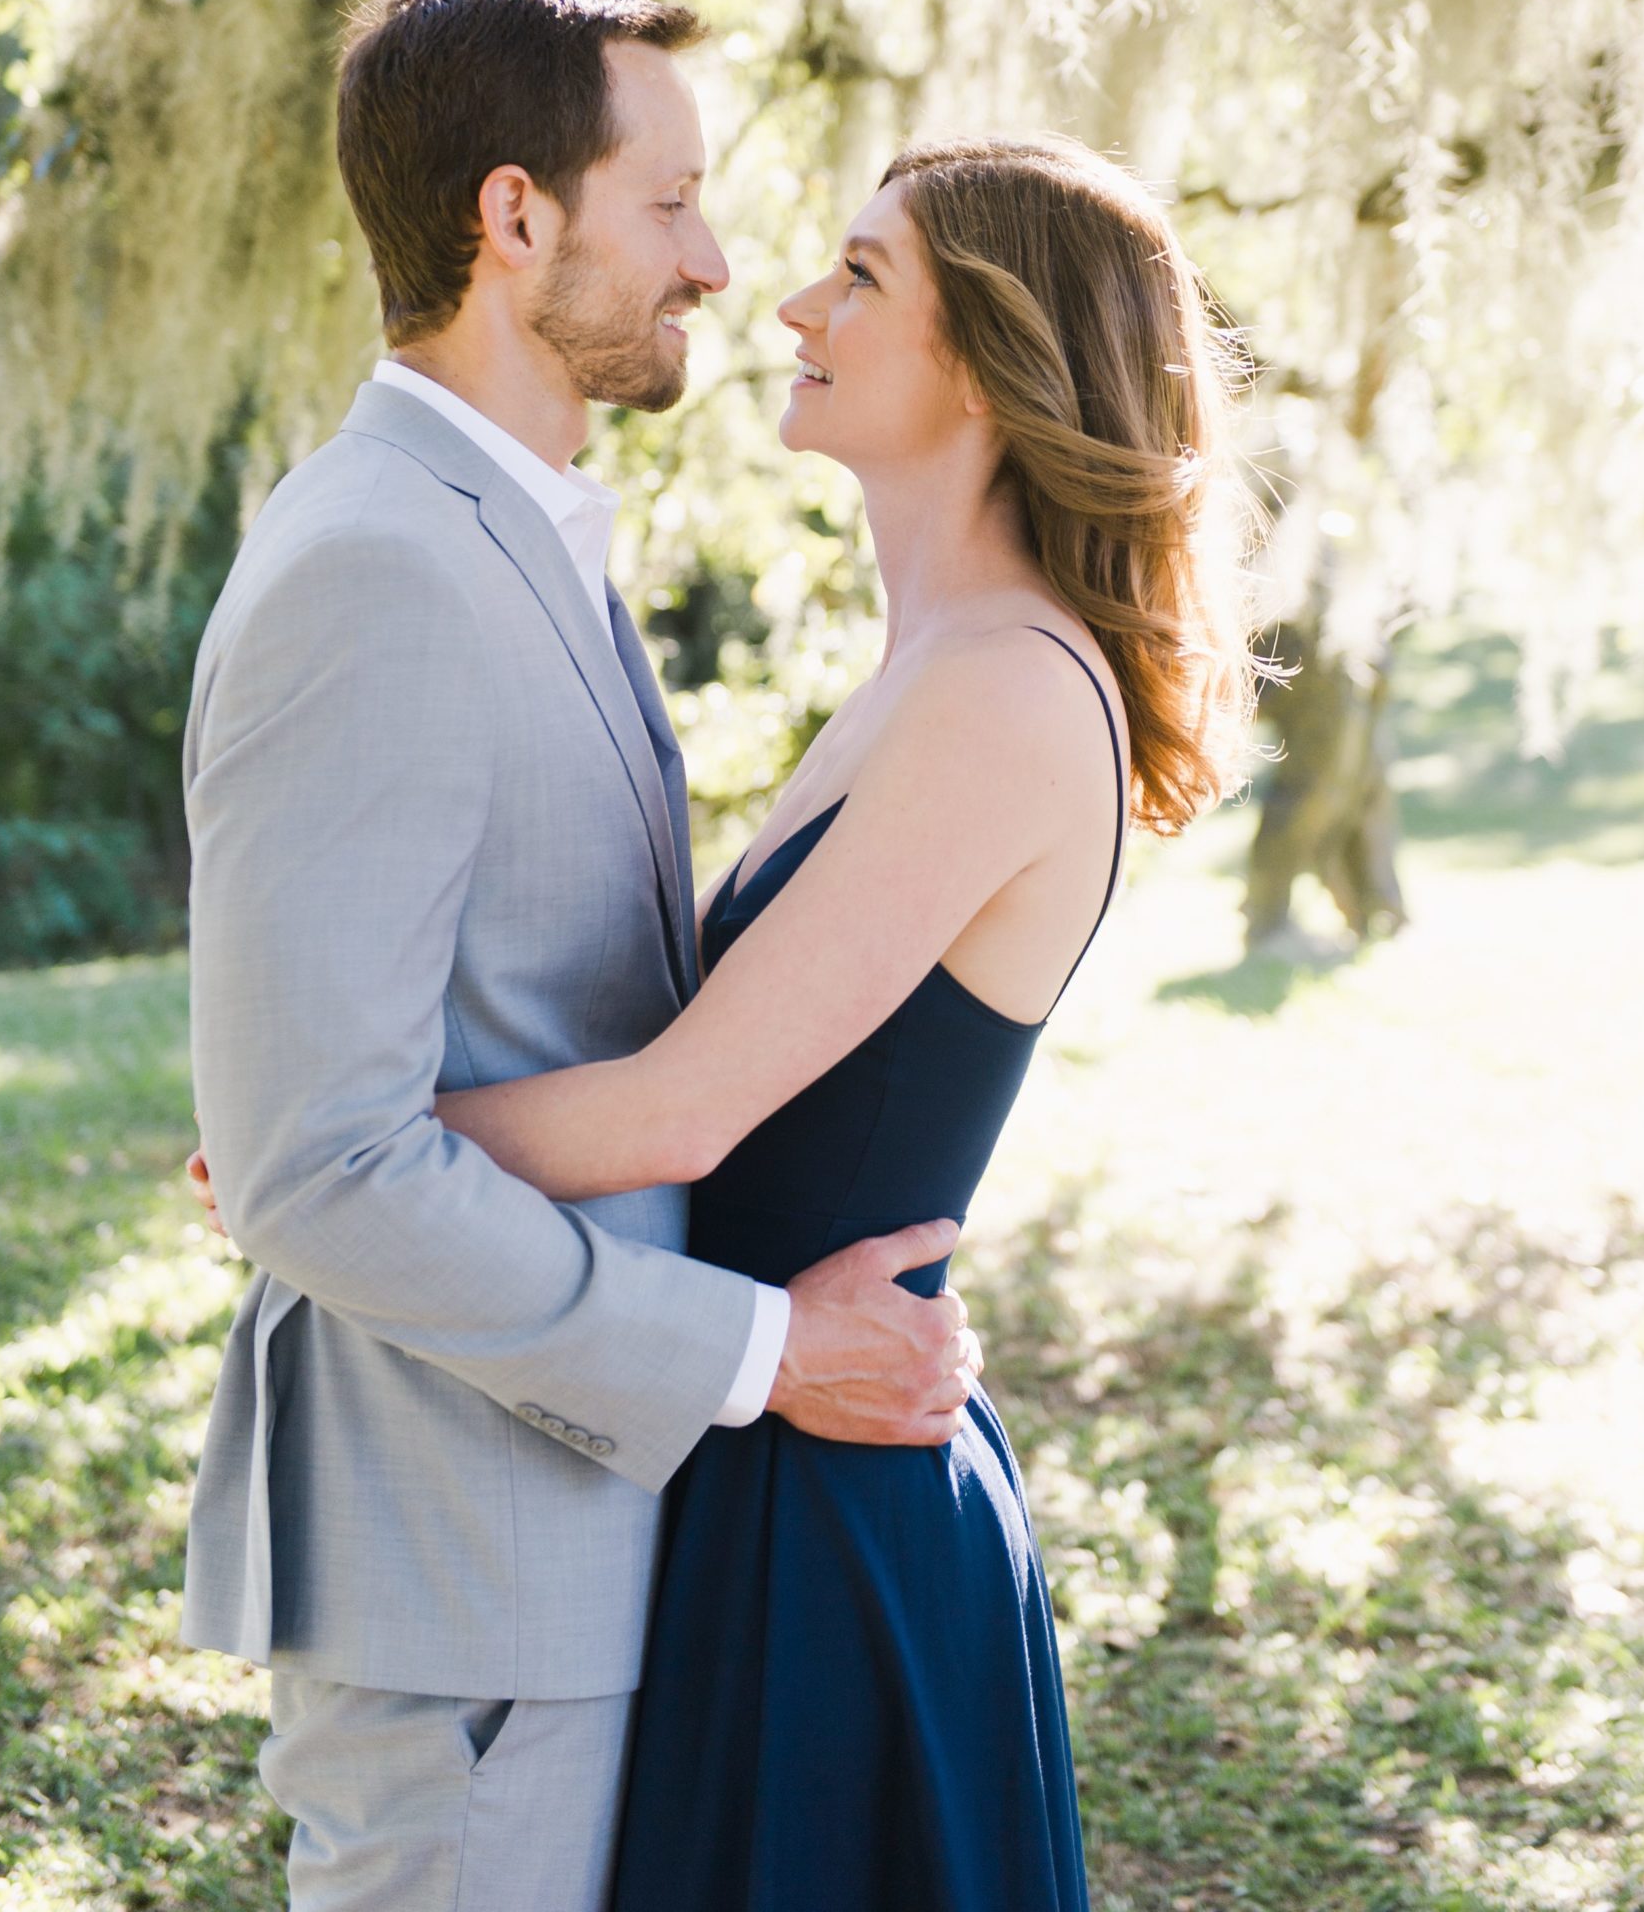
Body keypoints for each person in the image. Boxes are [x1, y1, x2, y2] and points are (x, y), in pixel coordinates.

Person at [179, 0, 981, 1912]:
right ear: (514, 214)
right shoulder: (374, 561)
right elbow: (319, 1166)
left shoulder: (516, 528)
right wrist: (765, 1349)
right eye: (673, 199)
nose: (717, 262)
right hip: (461, 1572)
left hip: (566, 1550)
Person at [425, 130, 1259, 1909]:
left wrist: (343, 1153)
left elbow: (681, 1113)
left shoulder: (1014, 694)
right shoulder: (931, 671)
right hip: (766, 1448)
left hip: (835, 1515)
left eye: (862, 275)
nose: (790, 298)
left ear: (999, 359)